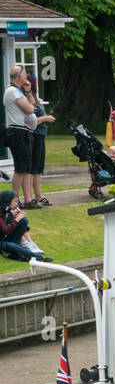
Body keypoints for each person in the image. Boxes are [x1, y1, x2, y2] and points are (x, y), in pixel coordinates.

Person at [4, 66, 37, 205]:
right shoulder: (12, 91)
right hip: (17, 133)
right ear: (19, 77)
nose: (26, 77)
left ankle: (17, 199)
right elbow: (30, 109)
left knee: (23, 168)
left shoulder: (19, 91)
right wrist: (29, 103)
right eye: (24, 74)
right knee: (20, 168)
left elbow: (33, 103)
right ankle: (13, 200)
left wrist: (28, 91)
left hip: (22, 132)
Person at [21, 78, 54, 208]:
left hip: (40, 136)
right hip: (34, 135)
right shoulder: (26, 98)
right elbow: (31, 120)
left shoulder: (35, 98)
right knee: (32, 167)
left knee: (38, 168)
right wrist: (46, 118)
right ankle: (30, 198)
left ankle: (38, 195)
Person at [0, 190, 48, 260]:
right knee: (12, 245)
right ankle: (38, 257)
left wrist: (13, 217)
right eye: (15, 201)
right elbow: (6, 230)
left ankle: (24, 245)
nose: (17, 204)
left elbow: (7, 223)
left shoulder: (7, 210)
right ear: (7, 201)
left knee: (24, 220)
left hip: (5, 239)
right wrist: (17, 219)